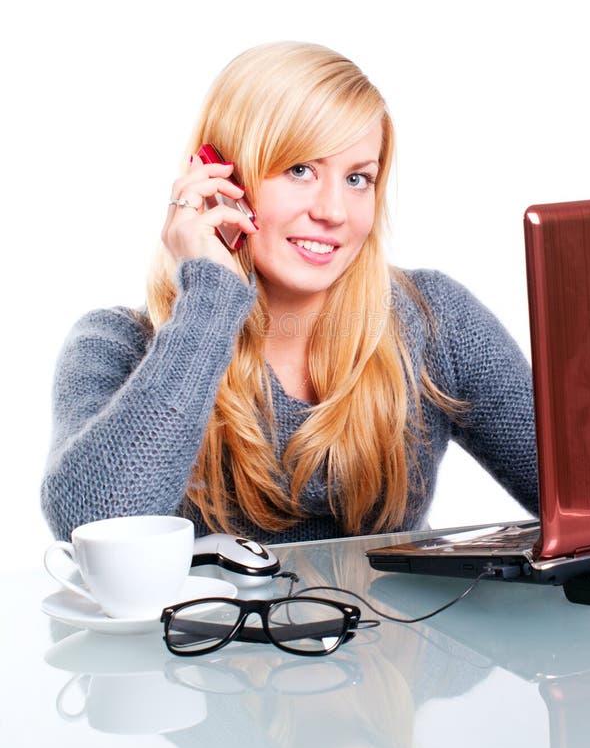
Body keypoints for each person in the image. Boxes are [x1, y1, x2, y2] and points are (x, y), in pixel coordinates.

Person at [41, 41, 538, 544]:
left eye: (358, 178)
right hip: (215, 627)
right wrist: (209, 299)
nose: (334, 211)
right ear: (220, 177)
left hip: (396, 625)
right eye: (301, 169)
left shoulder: (434, 321)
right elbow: (97, 530)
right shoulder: (115, 344)